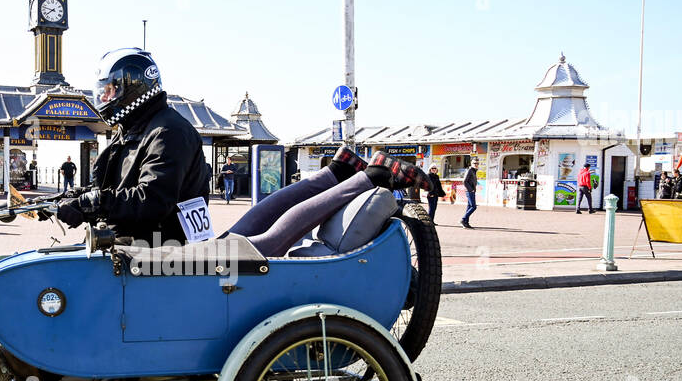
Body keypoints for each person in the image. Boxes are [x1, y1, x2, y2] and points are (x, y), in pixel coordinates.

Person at [57, 48, 210, 245]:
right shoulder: (133, 129)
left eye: (110, 91)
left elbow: (152, 200)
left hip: (162, 252)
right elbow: (117, 189)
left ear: (134, 88)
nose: (104, 99)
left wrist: (94, 203)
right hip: (135, 243)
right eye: (102, 92)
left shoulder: (169, 132)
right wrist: (71, 197)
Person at [228, 145, 427, 256]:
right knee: (239, 238)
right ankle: (338, 171)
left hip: (198, 262)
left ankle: (375, 175)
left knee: (257, 248)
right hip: (197, 251)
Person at [461, 162, 479, 228]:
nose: (476, 164)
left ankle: (466, 223)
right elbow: (465, 181)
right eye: (474, 163)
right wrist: (471, 189)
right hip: (470, 191)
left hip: (471, 191)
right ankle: (463, 219)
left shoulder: (473, 171)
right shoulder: (470, 170)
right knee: (473, 207)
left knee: (469, 207)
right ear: (471, 164)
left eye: (477, 163)